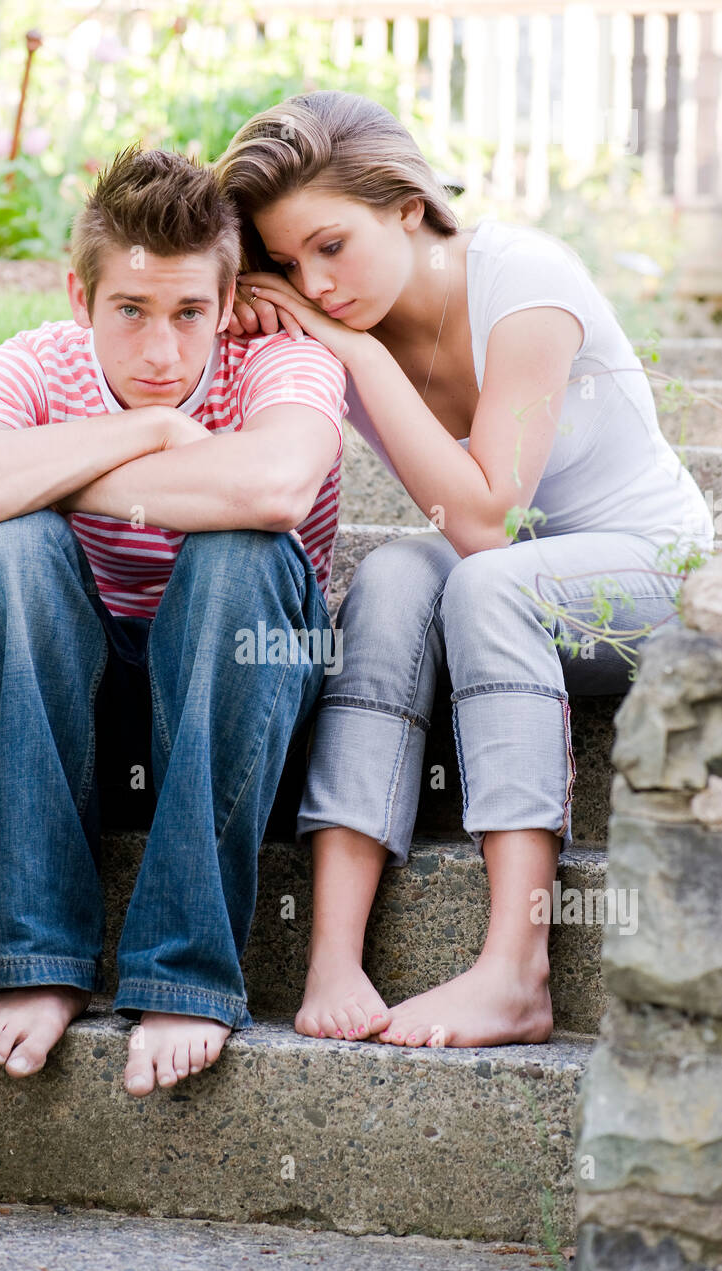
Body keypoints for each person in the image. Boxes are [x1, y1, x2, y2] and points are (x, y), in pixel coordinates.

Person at [213, 89, 715, 1049]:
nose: (312, 286)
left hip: (652, 581)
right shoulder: (335, 321)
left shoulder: (522, 282)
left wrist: (357, 357)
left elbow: (488, 523)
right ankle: (332, 952)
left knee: (483, 576)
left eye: (330, 245)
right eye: (284, 263)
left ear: (408, 206)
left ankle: (514, 971)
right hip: (518, 595)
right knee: (397, 576)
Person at [0, 145, 348, 1092]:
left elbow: (271, 487)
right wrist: (151, 431)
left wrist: (54, 473)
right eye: (131, 311)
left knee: (240, 550)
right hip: (82, 715)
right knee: (6, 546)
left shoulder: (282, 364)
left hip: (241, 711)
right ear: (79, 295)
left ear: (228, 305)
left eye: (191, 313)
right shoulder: (31, 363)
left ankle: (184, 967)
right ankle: (36, 956)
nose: (160, 352)